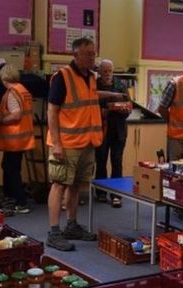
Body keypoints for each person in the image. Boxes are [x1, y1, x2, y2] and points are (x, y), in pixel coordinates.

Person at [46, 37, 123, 251]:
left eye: (94, 53)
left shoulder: (90, 77)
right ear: (76, 55)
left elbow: (90, 97)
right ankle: (53, 232)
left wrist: (112, 94)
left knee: (76, 185)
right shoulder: (62, 77)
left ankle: (71, 225)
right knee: (59, 184)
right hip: (67, 144)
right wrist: (58, 144)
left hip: (86, 143)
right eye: (89, 53)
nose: (93, 57)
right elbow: (52, 111)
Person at [0, 63, 34, 215]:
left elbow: (16, 114)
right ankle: (11, 198)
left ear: (4, 78)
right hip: (23, 136)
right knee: (10, 167)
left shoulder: (12, 93)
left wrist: (0, 121)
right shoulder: (23, 90)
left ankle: (20, 202)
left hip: (14, 138)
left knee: (11, 170)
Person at [95, 58, 131, 208]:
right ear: (100, 71)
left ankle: (117, 195)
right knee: (101, 162)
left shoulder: (120, 85)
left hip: (118, 130)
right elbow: (89, 107)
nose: (108, 74)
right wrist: (102, 111)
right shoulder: (94, 85)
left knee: (117, 162)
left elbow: (129, 105)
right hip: (101, 130)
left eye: (110, 71)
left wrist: (123, 109)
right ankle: (101, 193)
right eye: (105, 71)